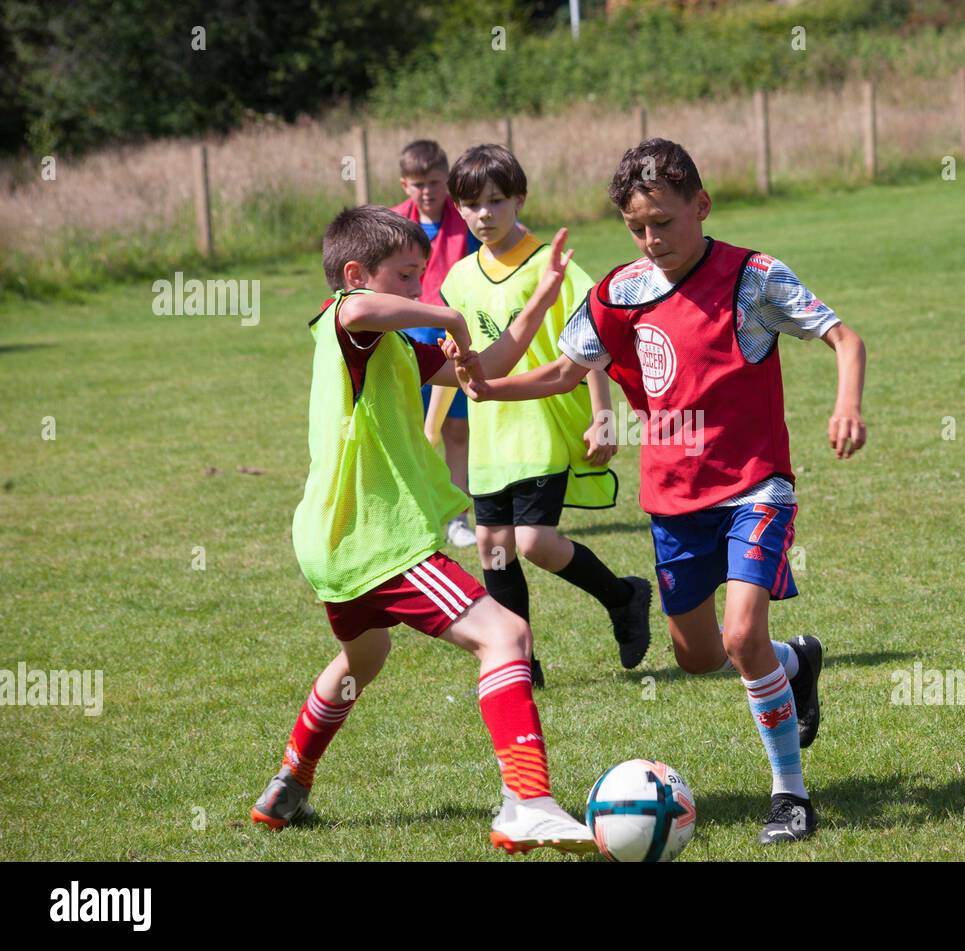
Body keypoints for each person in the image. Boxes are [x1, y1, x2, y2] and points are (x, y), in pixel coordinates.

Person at [456, 138, 867, 844]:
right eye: (637, 227)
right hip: (674, 498)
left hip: (753, 486)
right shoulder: (619, 291)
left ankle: (790, 796)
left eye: (665, 223)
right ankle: (797, 661)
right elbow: (565, 368)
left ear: (701, 206)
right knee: (699, 655)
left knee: (742, 634)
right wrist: (492, 386)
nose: (652, 239)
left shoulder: (754, 277)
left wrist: (846, 403)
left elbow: (845, 337)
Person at [251, 204, 594, 854]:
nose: (418, 290)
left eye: (422, 276)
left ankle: (289, 780)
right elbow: (356, 308)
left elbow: (486, 373)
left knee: (363, 658)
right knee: (506, 633)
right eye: (407, 277)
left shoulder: (402, 346)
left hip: (334, 547)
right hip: (379, 540)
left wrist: (546, 295)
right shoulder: (347, 325)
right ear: (357, 273)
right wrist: (450, 313)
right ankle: (527, 801)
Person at [441, 144, 650, 688]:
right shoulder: (458, 279)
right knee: (494, 552)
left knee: (533, 542)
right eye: (471, 204)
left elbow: (593, 340)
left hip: (545, 420)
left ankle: (623, 595)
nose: (484, 214)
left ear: (519, 198)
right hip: (491, 431)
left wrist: (603, 413)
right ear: (458, 209)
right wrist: (433, 419)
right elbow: (457, 363)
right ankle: (520, 664)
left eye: (495, 201)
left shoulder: (549, 265)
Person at [391, 139, 478, 546]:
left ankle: (458, 517)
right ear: (405, 184)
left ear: (448, 181)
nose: (427, 191)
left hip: (449, 347)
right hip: (403, 346)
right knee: (409, 434)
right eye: (418, 183)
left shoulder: (469, 222)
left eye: (435, 182)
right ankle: (415, 515)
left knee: (456, 431)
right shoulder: (390, 226)